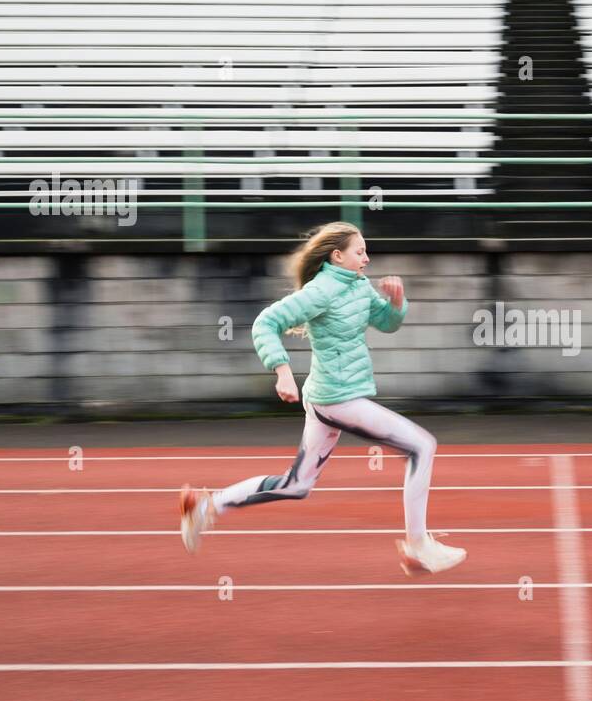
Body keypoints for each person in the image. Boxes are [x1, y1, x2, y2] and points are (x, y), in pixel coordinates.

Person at [178, 221, 467, 576]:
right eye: (360, 251)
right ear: (337, 255)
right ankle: (418, 546)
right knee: (422, 446)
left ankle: (206, 506)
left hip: (325, 398)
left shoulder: (359, 287)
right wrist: (282, 371)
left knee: (296, 485)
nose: (367, 258)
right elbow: (265, 323)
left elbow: (386, 322)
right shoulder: (321, 291)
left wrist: (396, 303)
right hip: (337, 399)